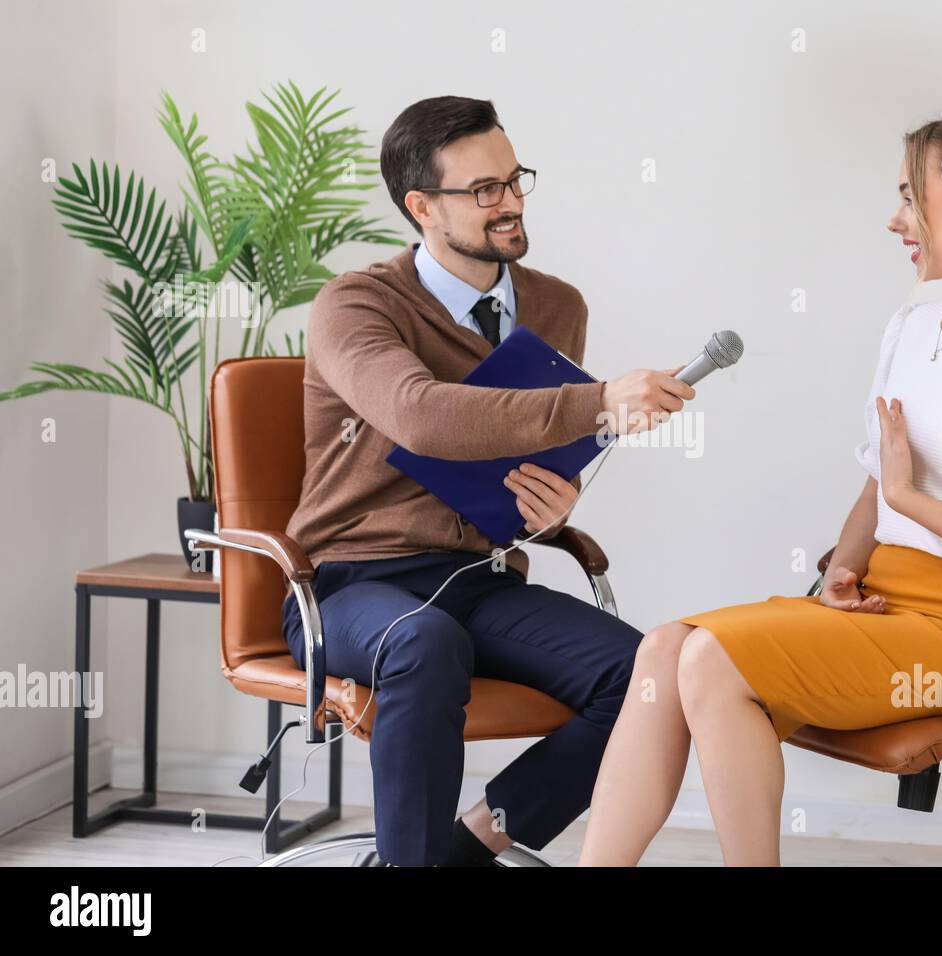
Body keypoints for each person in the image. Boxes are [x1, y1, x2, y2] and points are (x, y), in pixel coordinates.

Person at [578, 107, 942, 866]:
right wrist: (844, 569)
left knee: (707, 660)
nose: (896, 219)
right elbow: (879, 484)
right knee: (666, 649)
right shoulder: (912, 327)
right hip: (887, 606)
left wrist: (910, 502)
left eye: (910, 196)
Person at [281, 96, 694, 866]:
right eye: (483, 190)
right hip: (349, 585)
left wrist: (550, 509)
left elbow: (522, 443)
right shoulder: (356, 303)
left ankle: (465, 851)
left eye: (513, 180)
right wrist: (599, 399)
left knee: (653, 678)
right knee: (424, 642)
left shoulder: (554, 305)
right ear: (421, 207)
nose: (509, 203)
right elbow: (422, 416)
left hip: (479, 579)